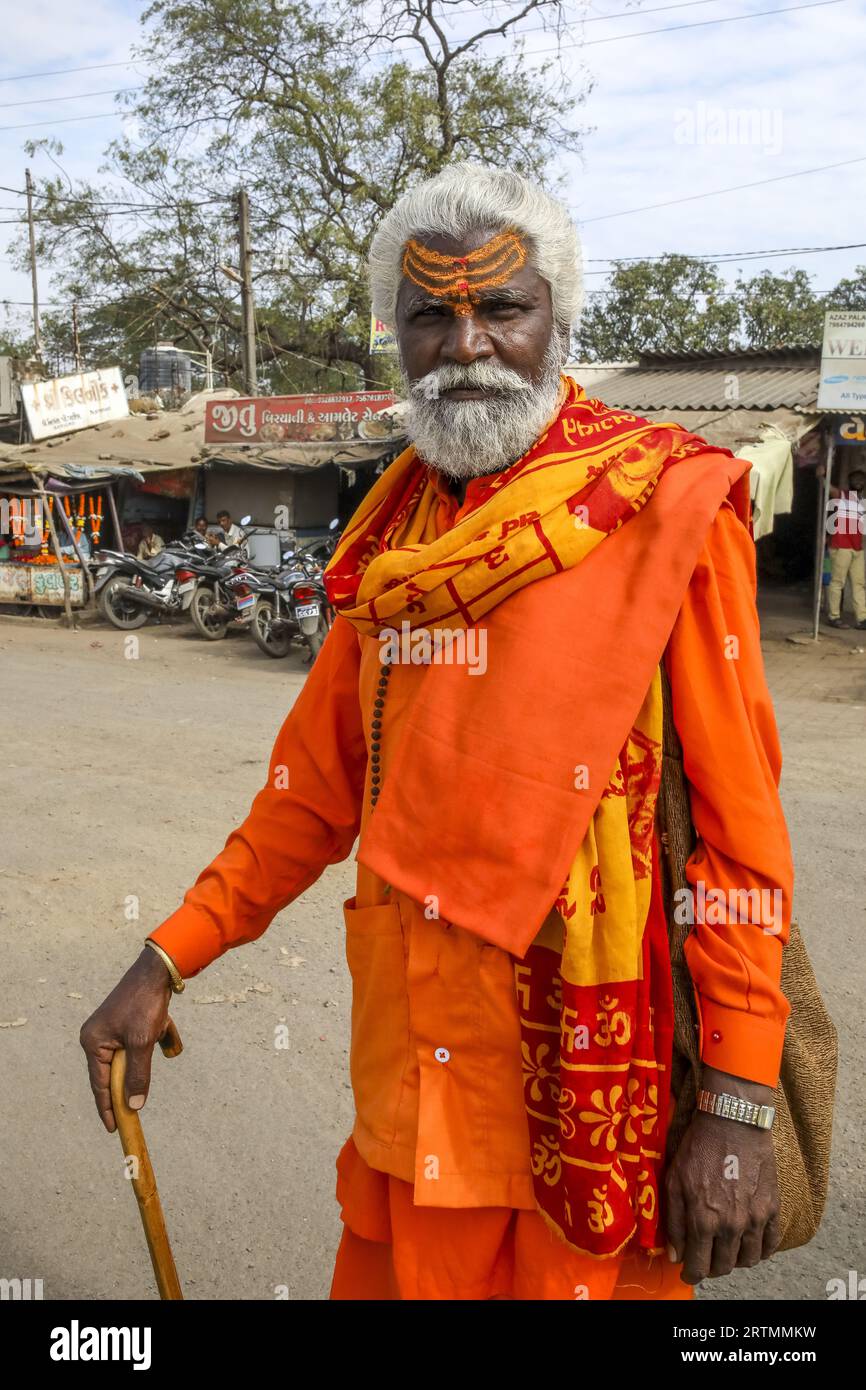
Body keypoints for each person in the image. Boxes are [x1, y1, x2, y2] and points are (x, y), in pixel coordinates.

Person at [81, 165, 793, 1302]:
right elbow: (309, 794)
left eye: (499, 309)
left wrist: (739, 1101)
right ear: (396, 336)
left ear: (554, 321)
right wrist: (165, 954)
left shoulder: (665, 503)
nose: (465, 344)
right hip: (414, 1083)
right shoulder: (392, 532)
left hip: (585, 1084)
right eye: (430, 315)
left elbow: (737, 833)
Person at [824, 465, 866, 630]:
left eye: (861, 480)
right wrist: (822, 475)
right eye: (856, 479)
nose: (859, 482)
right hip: (841, 546)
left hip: (857, 549)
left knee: (859, 584)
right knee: (837, 582)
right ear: (850, 482)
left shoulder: (862, 503)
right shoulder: (842, 496)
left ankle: (862, 618)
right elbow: (828, 487)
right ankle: (833, 616)